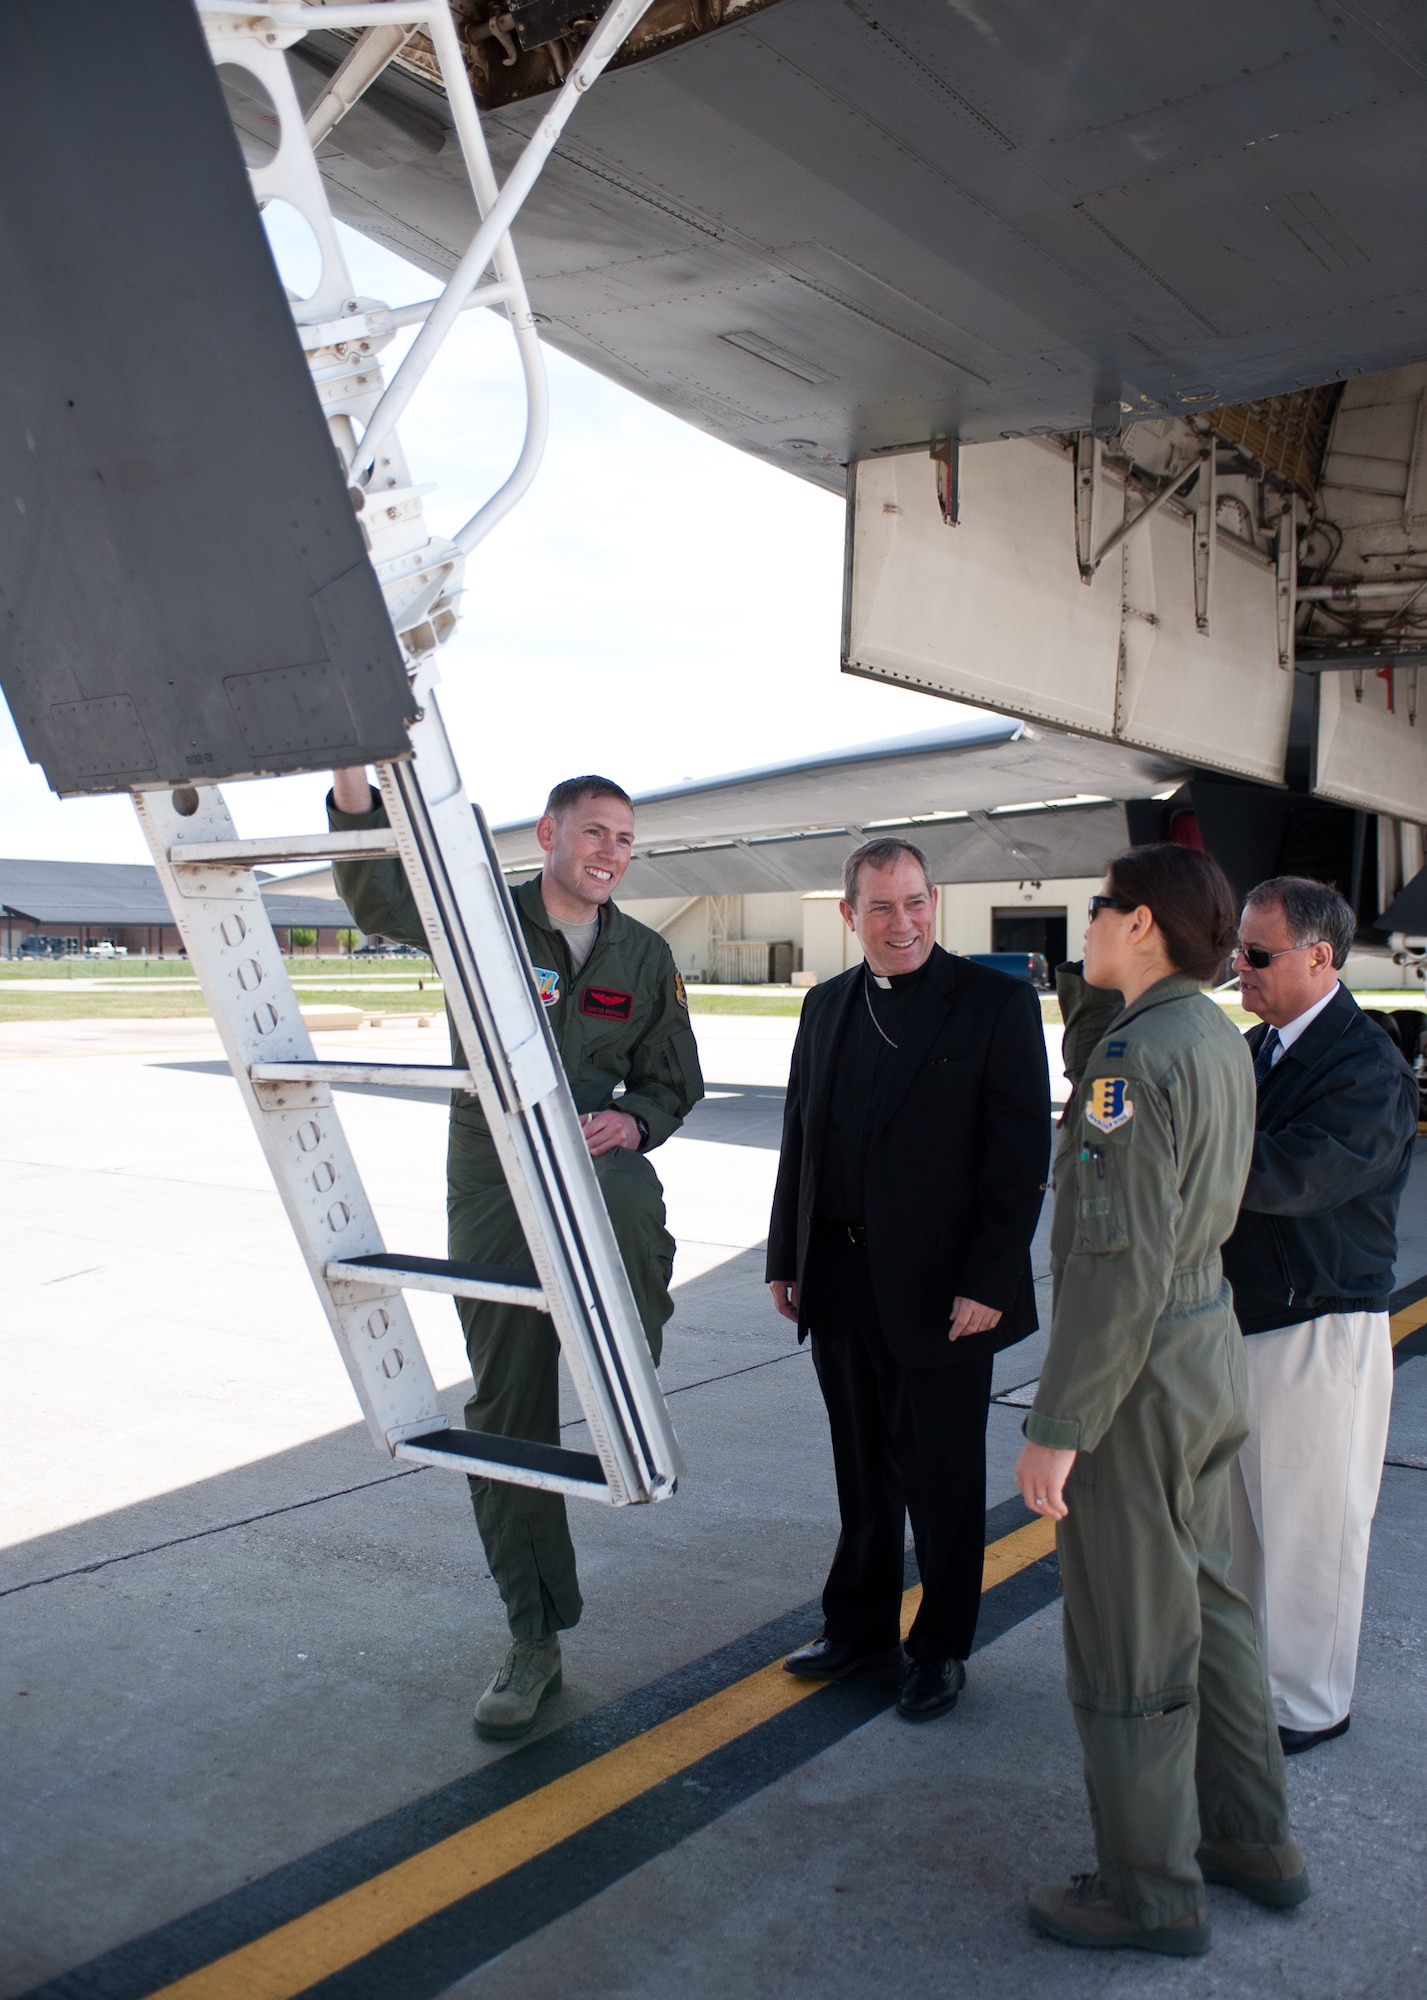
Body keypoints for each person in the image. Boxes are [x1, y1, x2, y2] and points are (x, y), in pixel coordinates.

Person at [327, 768, 703, 1739]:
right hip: (493, 1180)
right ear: (547, 832)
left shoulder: (642, 952)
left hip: (589, 1165)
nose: (610, 852)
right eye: (593, 832)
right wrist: (353, 787)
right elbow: (376, 896)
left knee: (630, 1205)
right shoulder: (479, 921)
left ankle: (633, 1358)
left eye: (623, 838)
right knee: (506, 1411)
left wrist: (631, 1120)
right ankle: (531, 1636)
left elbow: (673, 1080)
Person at [1015, 844, 1307, 1958]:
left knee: (1128, 1631)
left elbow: (1111, 1264)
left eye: (1094, 909)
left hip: (1136, 1376)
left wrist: (1057, 1427)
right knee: (1208, 1606)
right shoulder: (1208, 1035)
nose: (1081, 926)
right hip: (1202, 1349)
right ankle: (1250, 1838)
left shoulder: (1128, 1062)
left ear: (1138, 924)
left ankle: (1148, 1889)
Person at [766, 836, 1049, 1721]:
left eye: (916, 902)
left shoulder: (994, 1006)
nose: (903, 923)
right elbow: (800, 1140)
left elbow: (1018, 1161)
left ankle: (939, 1647)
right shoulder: (824, 1007)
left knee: (943, 1481)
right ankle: (858, 1630)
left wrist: (990, 1279)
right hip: (840, 1278)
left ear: (937, 903)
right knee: (861, 1471)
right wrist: (786, 1257)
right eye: (881, 907)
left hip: (945, 1291)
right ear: (848, 915)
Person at [1222, 876, 1417, 1755]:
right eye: (1238, 950)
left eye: (1257, 955)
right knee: (1248, 1533)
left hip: (1318, 1328)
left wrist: (1180, 1146)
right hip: (1247, 1317)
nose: (1240, 967)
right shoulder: (1258, 1047)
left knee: (1312, 1531)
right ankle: (1248, 1688)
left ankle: (1306, 1705)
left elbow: (1294, 1178)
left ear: (1319, 958)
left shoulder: (1365, 1068)